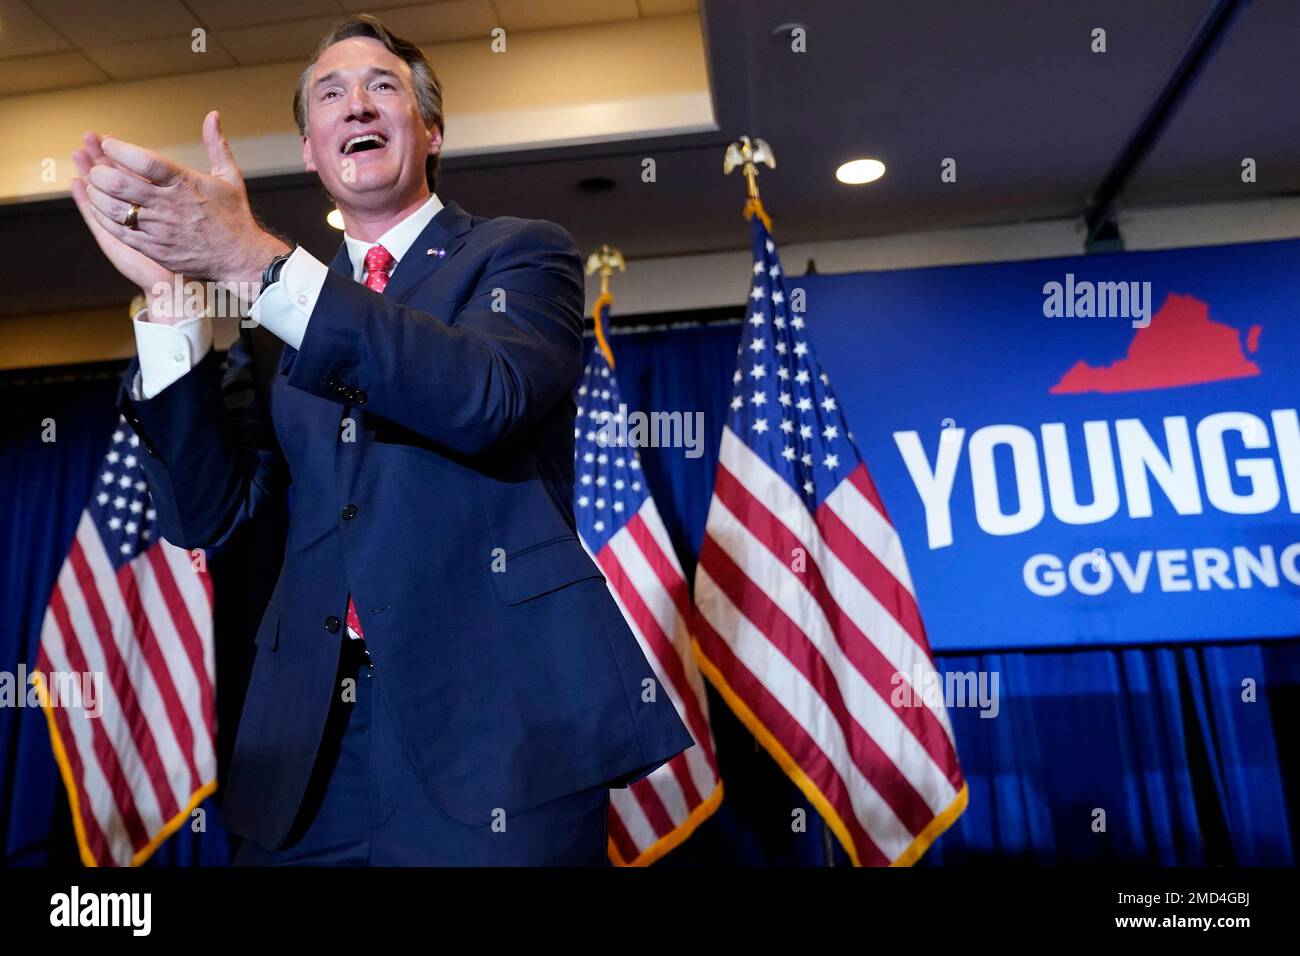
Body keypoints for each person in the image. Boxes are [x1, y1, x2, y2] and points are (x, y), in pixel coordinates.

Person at [68, 14, 693, 866]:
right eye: (330, 94)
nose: (355, 102)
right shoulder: (270, 318)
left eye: (382, 85)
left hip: (495, 733)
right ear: (310, 149)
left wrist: (254, 262)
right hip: (305, 757)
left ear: (431, 131)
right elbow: (205, 515)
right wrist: (173, 303)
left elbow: (484, 397)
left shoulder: (519, 257)